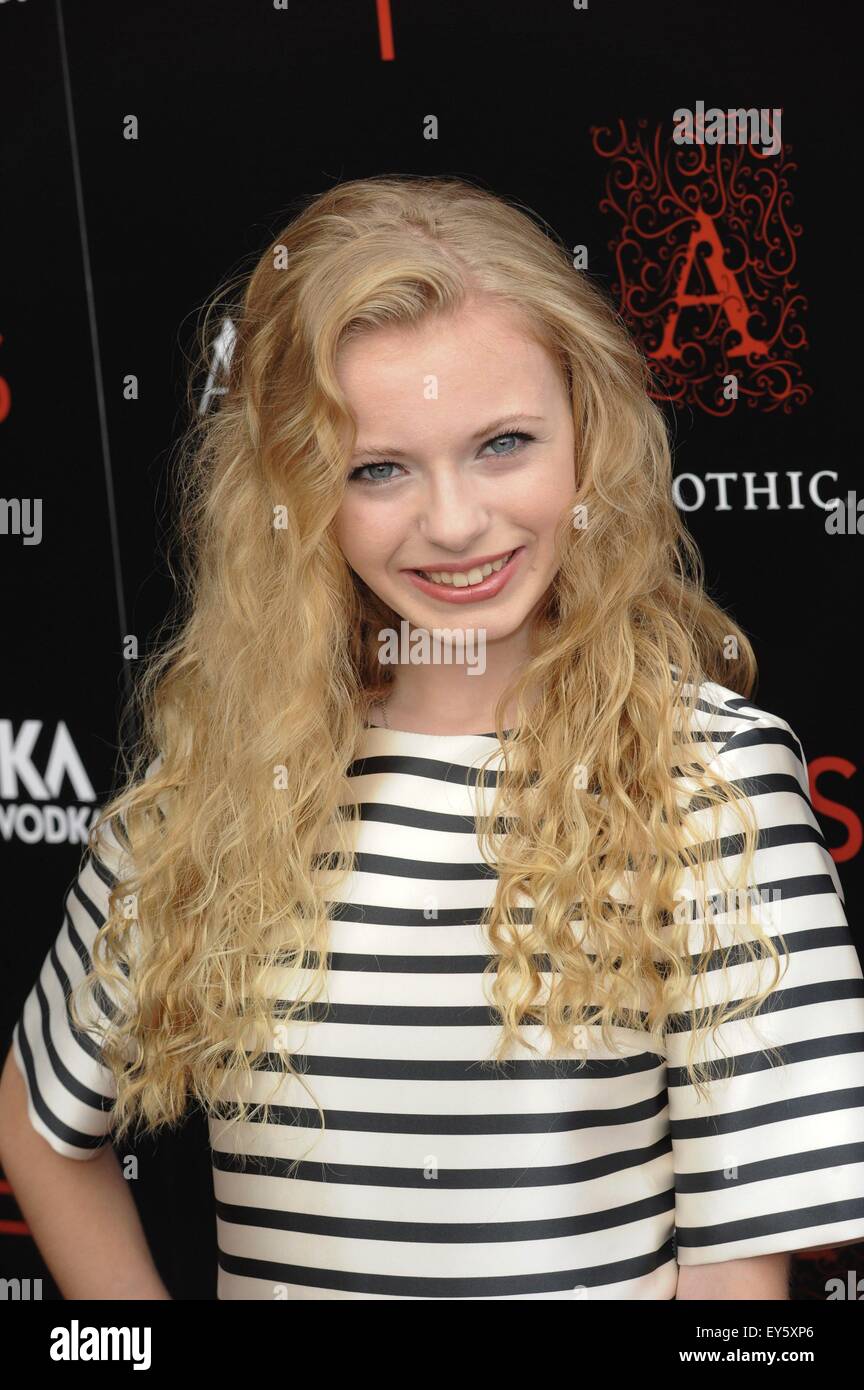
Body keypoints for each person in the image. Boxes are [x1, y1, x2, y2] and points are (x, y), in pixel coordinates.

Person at [2, 174, 863, 1302]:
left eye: (503, 442)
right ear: (294, 488)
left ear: (588, 434)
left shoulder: (710, 779)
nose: (454, 522)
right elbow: (40, 1123)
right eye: (379, 469)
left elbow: (739, 1280)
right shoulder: (216, 780)